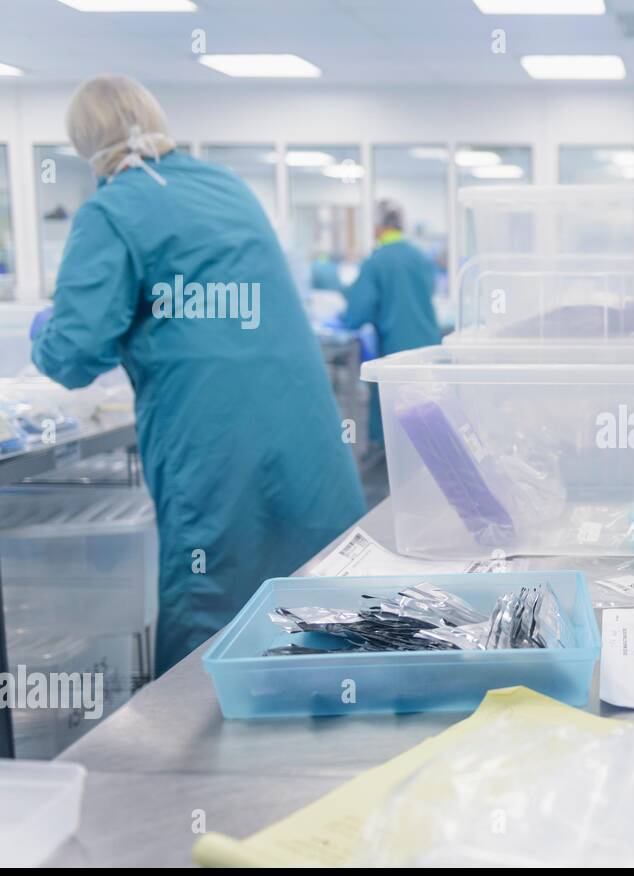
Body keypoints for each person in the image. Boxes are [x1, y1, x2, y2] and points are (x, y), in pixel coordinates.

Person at [31, 75, 366, 674]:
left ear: (87, 147)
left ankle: (195, 751)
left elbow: (76, 353)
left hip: (212, 437)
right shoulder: (227, 186)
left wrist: (44, 333)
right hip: (303, 422)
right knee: (315, 586)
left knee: (210, 597)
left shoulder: (111, 209)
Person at [338, 199, 442, 447]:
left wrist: (342, 320)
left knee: (395, 423)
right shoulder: (419, 258)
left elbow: (358, 311)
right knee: (428, 419)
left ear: (377, 227)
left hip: (396, 350)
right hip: (428, 346)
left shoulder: (378, 261)